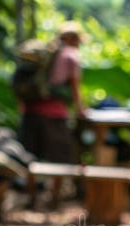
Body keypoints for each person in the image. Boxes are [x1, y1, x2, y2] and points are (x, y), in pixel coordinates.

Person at [19, 21, 87, 209]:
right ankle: (53, 199)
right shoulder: (71, 55)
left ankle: (30, 198)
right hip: (55, 114)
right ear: (74, 39)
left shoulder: (45, 53)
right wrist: (80, 109)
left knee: (29, 155)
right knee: (60, 156)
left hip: (31, 110)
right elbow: (73, 85)